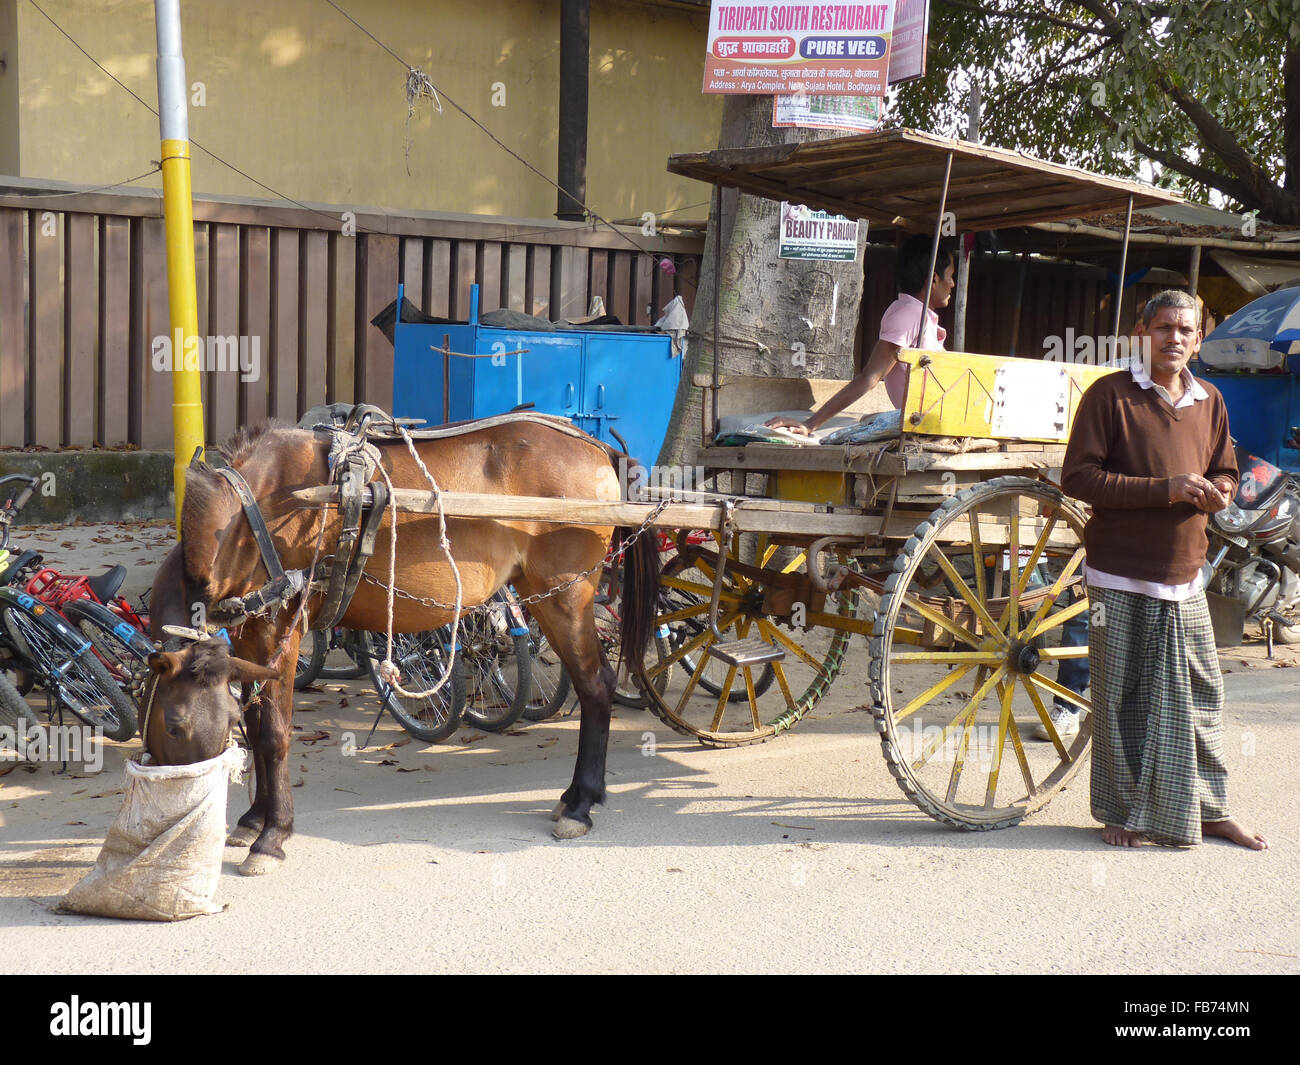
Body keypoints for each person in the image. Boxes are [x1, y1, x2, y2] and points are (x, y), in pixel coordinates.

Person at [1061, 289, 1267, 850]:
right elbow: (1078, 479)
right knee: (1120, 696)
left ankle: (1211, 809)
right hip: (1119, 573)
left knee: (1201, 694)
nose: (1174, 338)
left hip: (1185, 576)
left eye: (1185, 330)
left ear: (1199, 339)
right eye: (1163, 328)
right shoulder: (1111, 396)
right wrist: (1167, 489)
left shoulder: (1211, 400)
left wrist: (1220, 491)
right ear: (1141, 333)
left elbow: (1225, 467)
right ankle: (1121, 812)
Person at [765, 234, 957, 434]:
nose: (952, 283)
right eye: (950, 275)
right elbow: (870, 377)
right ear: (934, 279)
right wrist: (810, 424)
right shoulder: (909, 314)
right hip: (923, 425)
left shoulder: (920, 315)